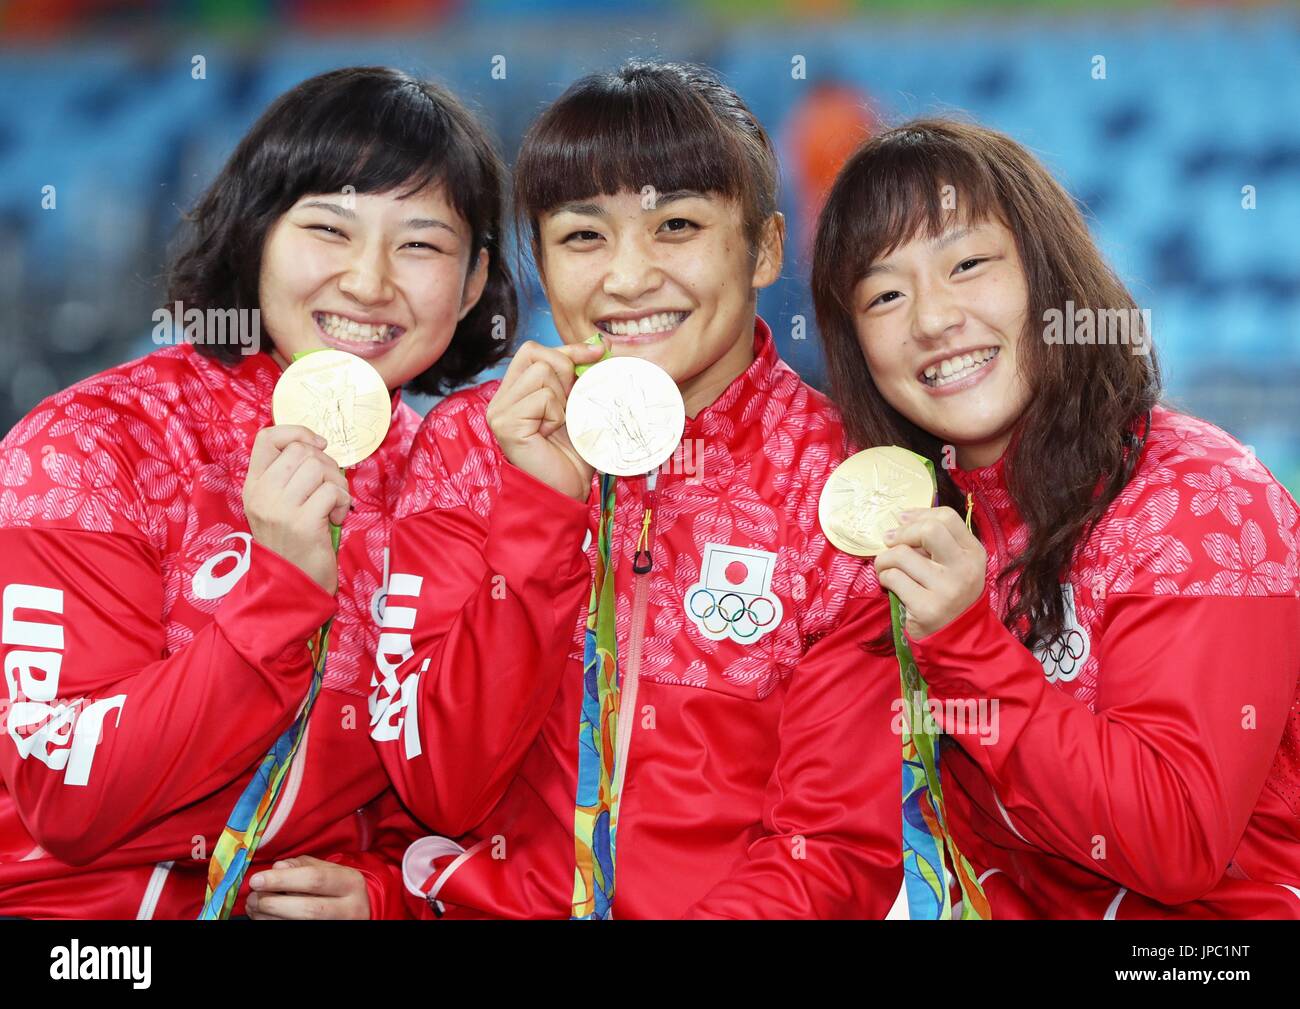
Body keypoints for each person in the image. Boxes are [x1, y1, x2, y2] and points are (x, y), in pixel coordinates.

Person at [363, 61, 902, 919]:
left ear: (763, 247)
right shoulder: (473, 445)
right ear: (539, 259)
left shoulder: (842, 482)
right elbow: (439, 787)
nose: (626, 277)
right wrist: (539, 514)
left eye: (676, 225)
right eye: (584, 236)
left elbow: (834, 853)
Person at [0, 66, 515, 919]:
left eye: (420, 243)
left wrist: (388, 894)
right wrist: (279, 592)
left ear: (470, 284)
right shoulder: (91, 445)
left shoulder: (466, 482)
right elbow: (67, 798)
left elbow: (480, 800)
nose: (369, 281)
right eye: (328, 229)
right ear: (255, 236)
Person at [811, 117, 1300, 918]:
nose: (932, 319)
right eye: (886, 294)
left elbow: (1174, 841)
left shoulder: (1205, 503)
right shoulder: (913, 518)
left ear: (1049, 276)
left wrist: (965, 645)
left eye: (967, 264)